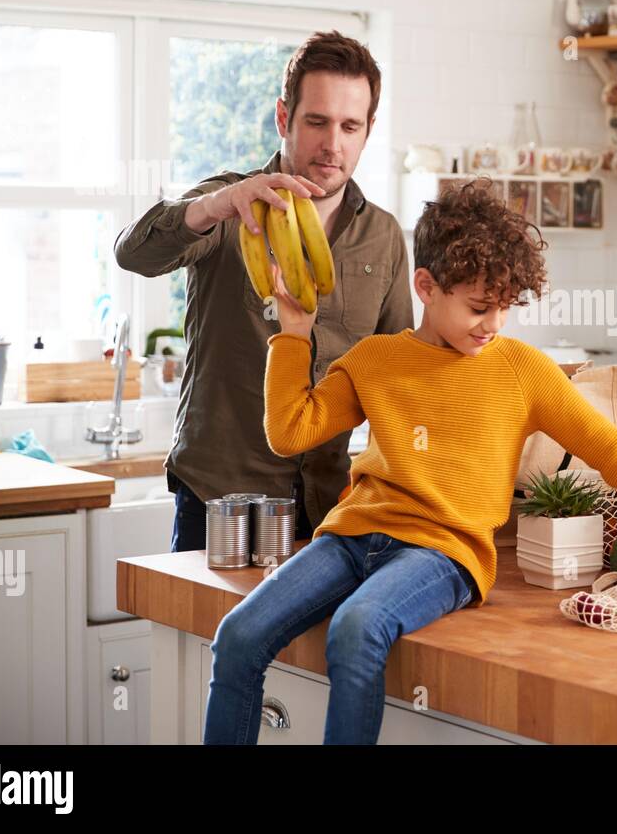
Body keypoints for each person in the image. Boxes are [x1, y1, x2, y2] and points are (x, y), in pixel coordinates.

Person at [203, 180, 617, 744]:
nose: (494, 324)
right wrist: (293, 333)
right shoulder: (376, 359)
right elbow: (291, 431)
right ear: (426, 286)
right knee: (238, 635)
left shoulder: (522, 369)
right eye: (480, 307)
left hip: (445, 551)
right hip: (351, 536)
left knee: (356, 629)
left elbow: (616, 450)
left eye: (505, 307)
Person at [114, 31, 412, 552]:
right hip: (219, 498)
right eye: (316, 121)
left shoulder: (382, 236)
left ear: (368, 131)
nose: (333, 144)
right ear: (283, 118)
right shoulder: (229, 205)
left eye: (350, 126)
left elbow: (402, 376)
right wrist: (217, 205)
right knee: (208, 636)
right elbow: (133, 254)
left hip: (326, 506)